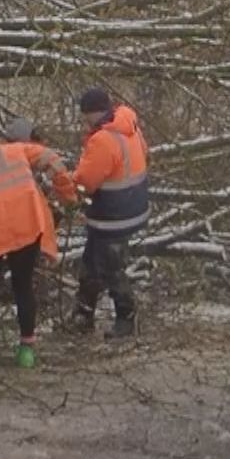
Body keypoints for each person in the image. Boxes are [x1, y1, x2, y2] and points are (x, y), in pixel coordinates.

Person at [0, 120, 77, 369]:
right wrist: (68, 196)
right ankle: (26, 351)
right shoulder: (15, 150)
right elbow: (50, 158)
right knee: (23, 284)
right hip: (27, 220)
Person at [69, 87, 151, 338]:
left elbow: (85, 181)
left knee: (110, 269)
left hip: (111, 215)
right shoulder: (130, 127)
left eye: (85, 117)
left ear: (94, 114)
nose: (84, 123)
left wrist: (67, 186)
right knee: (92, 263)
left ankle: (126, 318)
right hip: (131, 207)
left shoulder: (103, 140)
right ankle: (83, 314)